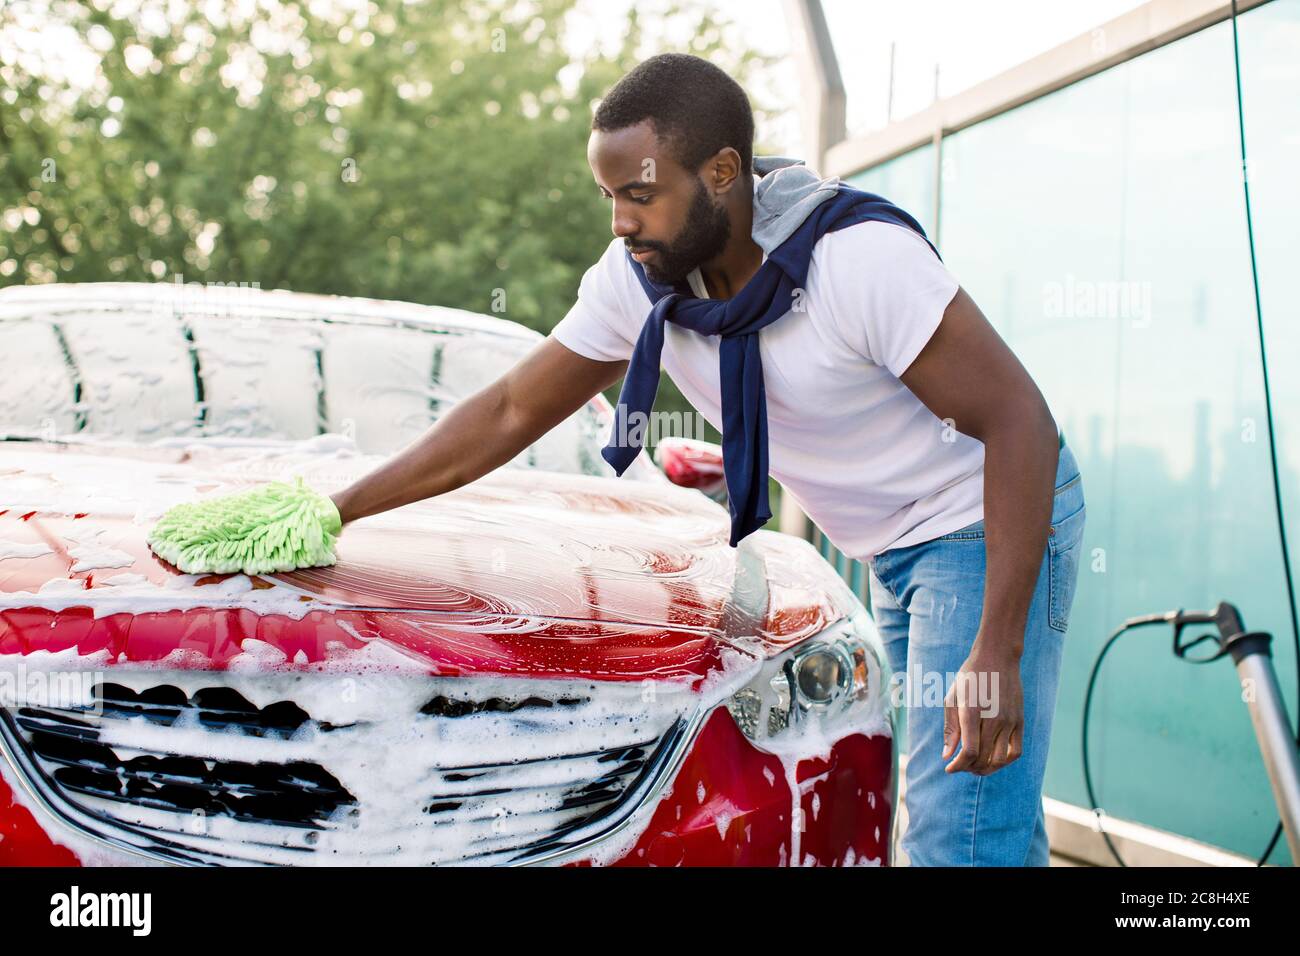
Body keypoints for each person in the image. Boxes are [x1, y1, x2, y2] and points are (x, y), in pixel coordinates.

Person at [328, 52, 1086, 867]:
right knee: (972, 809)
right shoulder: (639, 282)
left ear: (723, 172)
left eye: (641, 195)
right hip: (892, 548)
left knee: (962, 833)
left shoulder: (854, 260)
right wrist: (336, 510)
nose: (621, 222)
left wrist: (997, 650)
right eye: (610, 196)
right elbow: (511, 408)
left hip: (983, 520)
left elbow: (1020, 422)